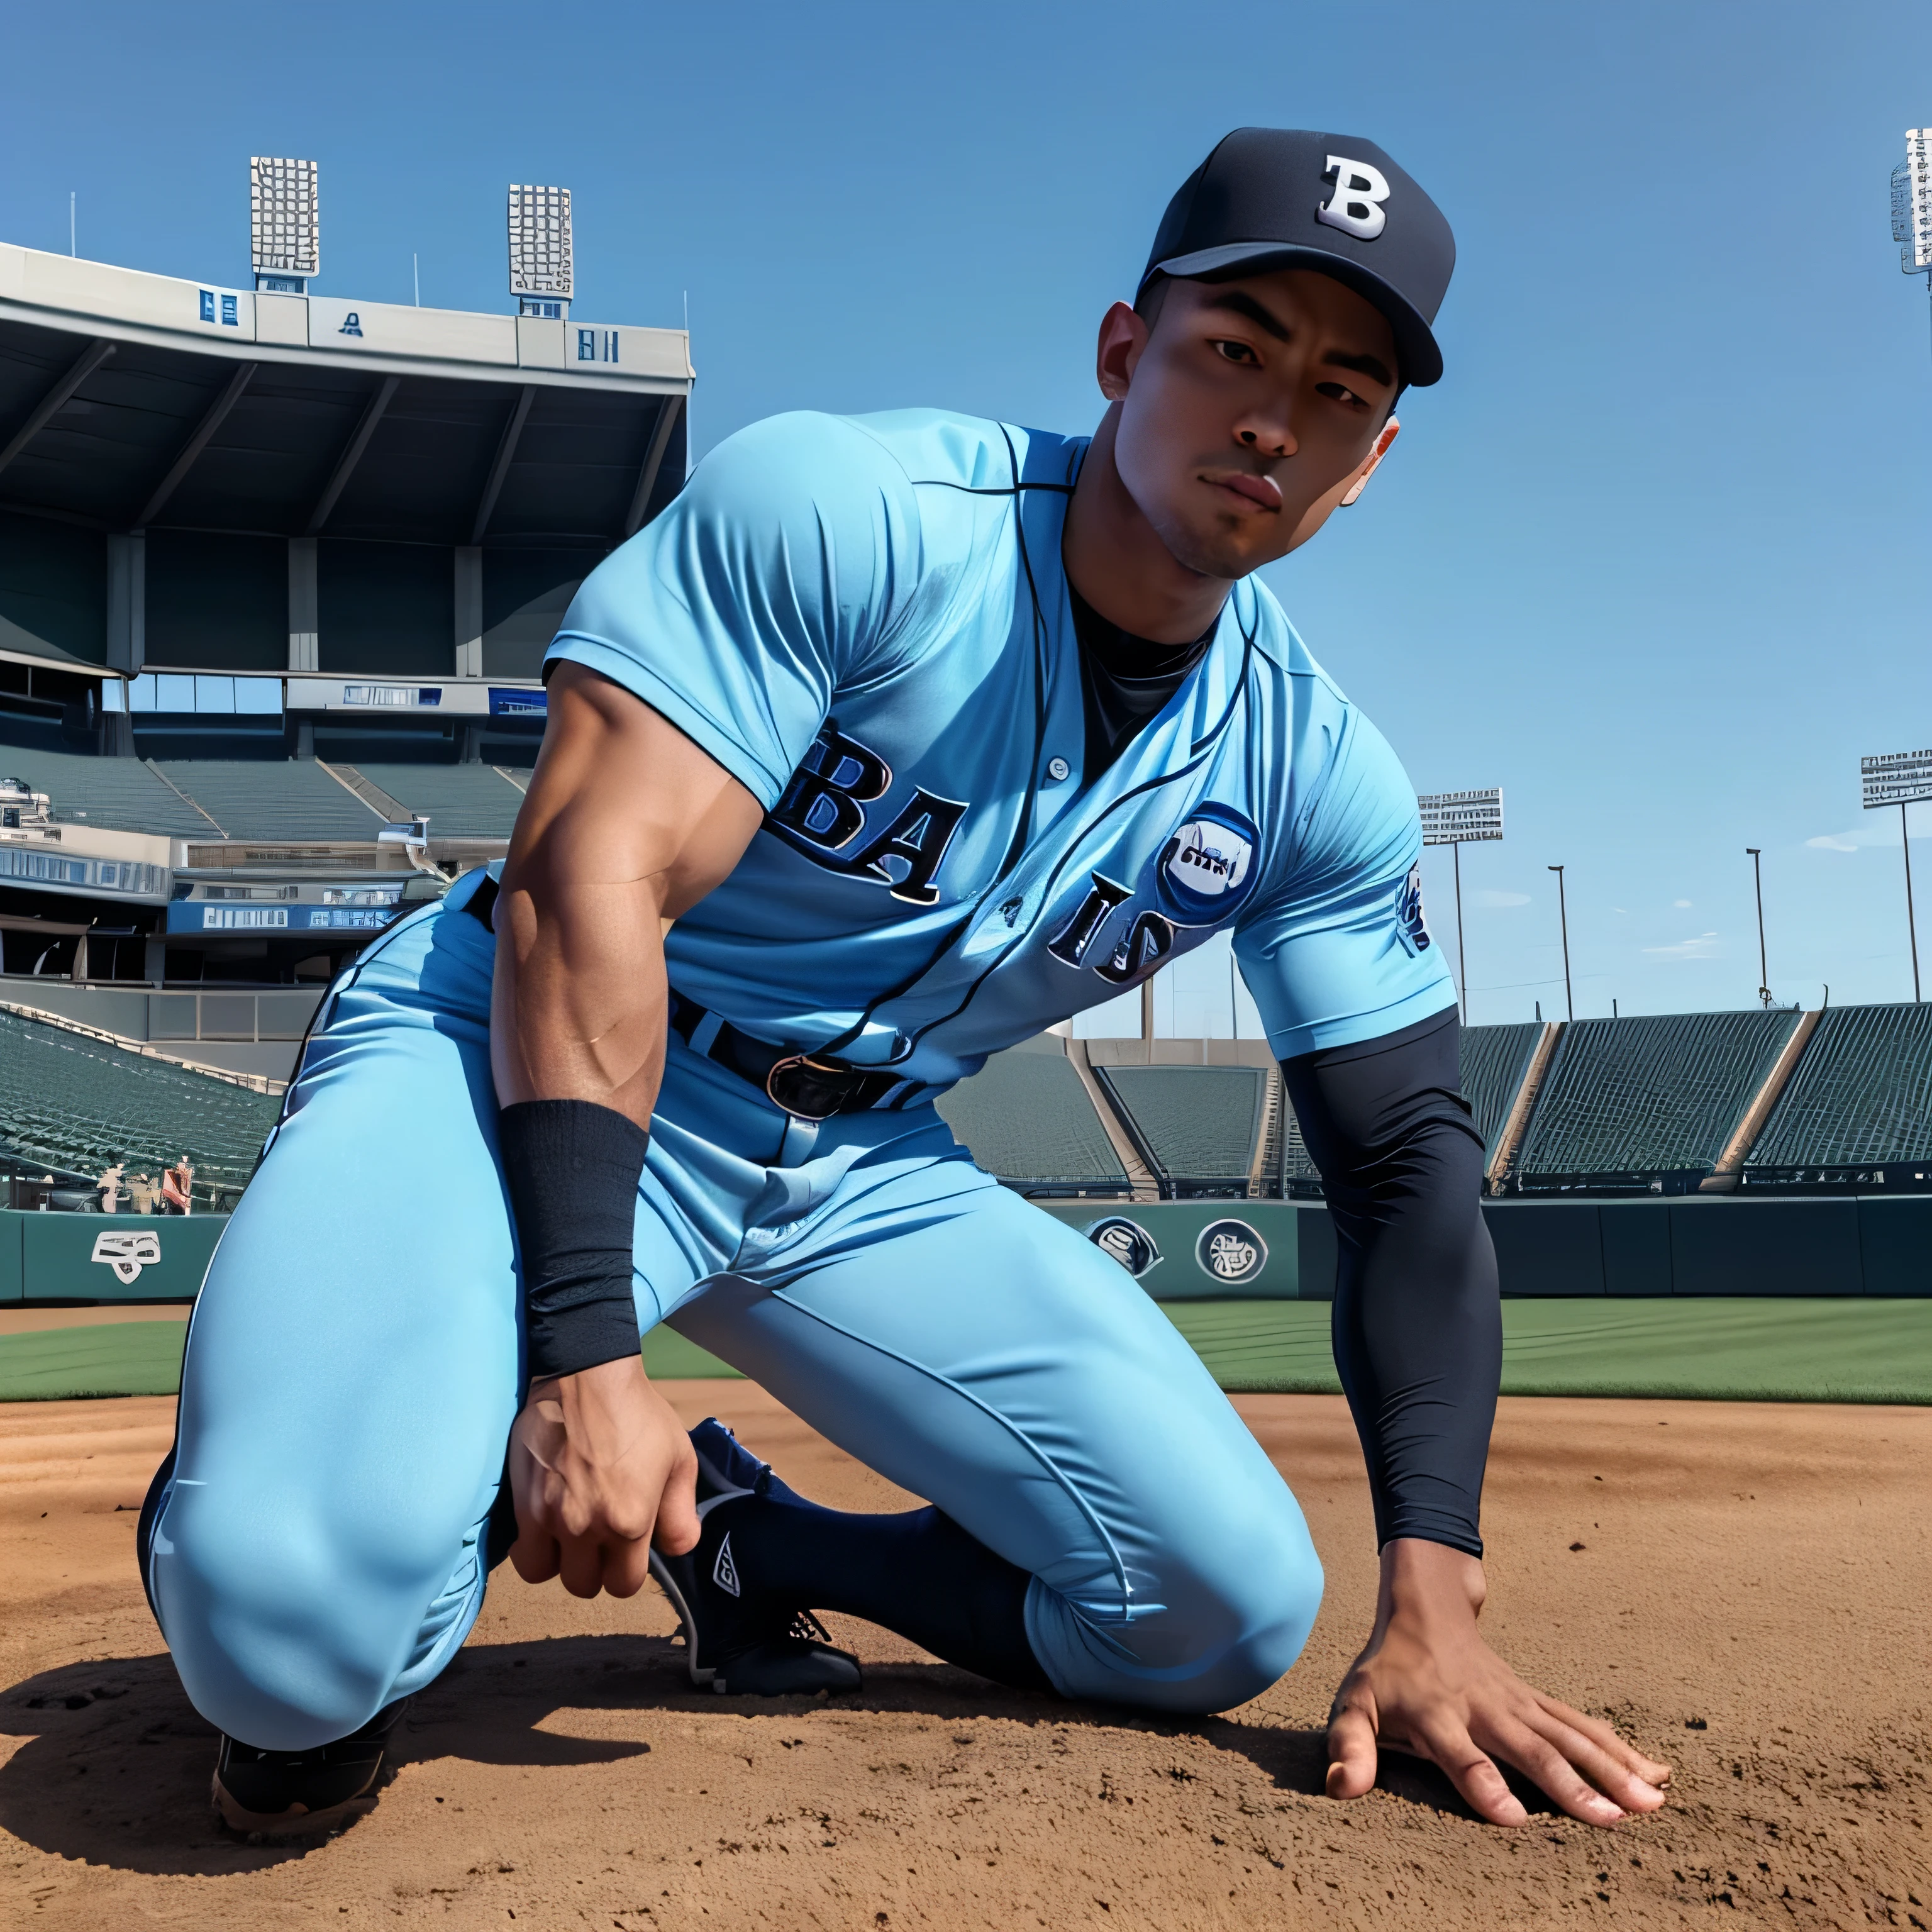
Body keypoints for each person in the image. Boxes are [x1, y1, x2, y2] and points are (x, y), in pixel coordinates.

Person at [139, 127, 1671, 1840]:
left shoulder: (1314, 772)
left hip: (859, 1171)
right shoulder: (860, 517)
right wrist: (578, 1356)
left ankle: (750, 1544)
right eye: (1234, 348)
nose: (1271, 419)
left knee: (1218, 1609)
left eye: (1335, 389)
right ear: (1120, 352)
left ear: (1369, 458)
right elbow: (597, 878)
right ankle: (306, 1468)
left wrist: (1437, 1607)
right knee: (290, 1629)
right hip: (510, 1058)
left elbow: (1406, 1168)